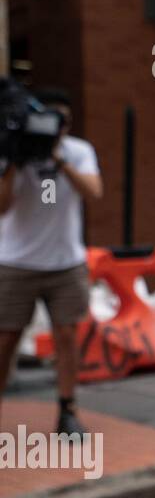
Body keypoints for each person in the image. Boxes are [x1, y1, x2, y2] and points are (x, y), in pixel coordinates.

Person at [0, 86, 102, 435]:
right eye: (51, 119)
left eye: (65, 121)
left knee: (67, 336)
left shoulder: (78, 151)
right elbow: (2, 208)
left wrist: (58, 159)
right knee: (6, 338)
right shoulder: (14, 151)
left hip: (66, 264)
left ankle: (67, 409)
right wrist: (13, 160)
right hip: (16, 264)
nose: (58, 128)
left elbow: (94, 193)